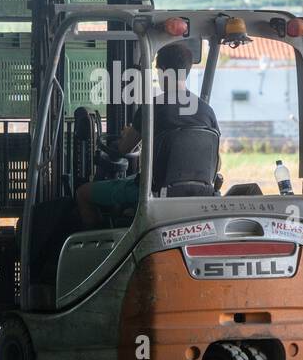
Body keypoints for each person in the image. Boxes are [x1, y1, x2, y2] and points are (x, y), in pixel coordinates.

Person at [75, 42, 219, 229]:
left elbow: (123, 149)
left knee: (83, 193)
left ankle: (101, 248)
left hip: (153, 191)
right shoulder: (208, 112)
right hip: (198, 194)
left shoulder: (151, 108)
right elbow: (217, 162)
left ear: (163, 71)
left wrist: (127, 134)